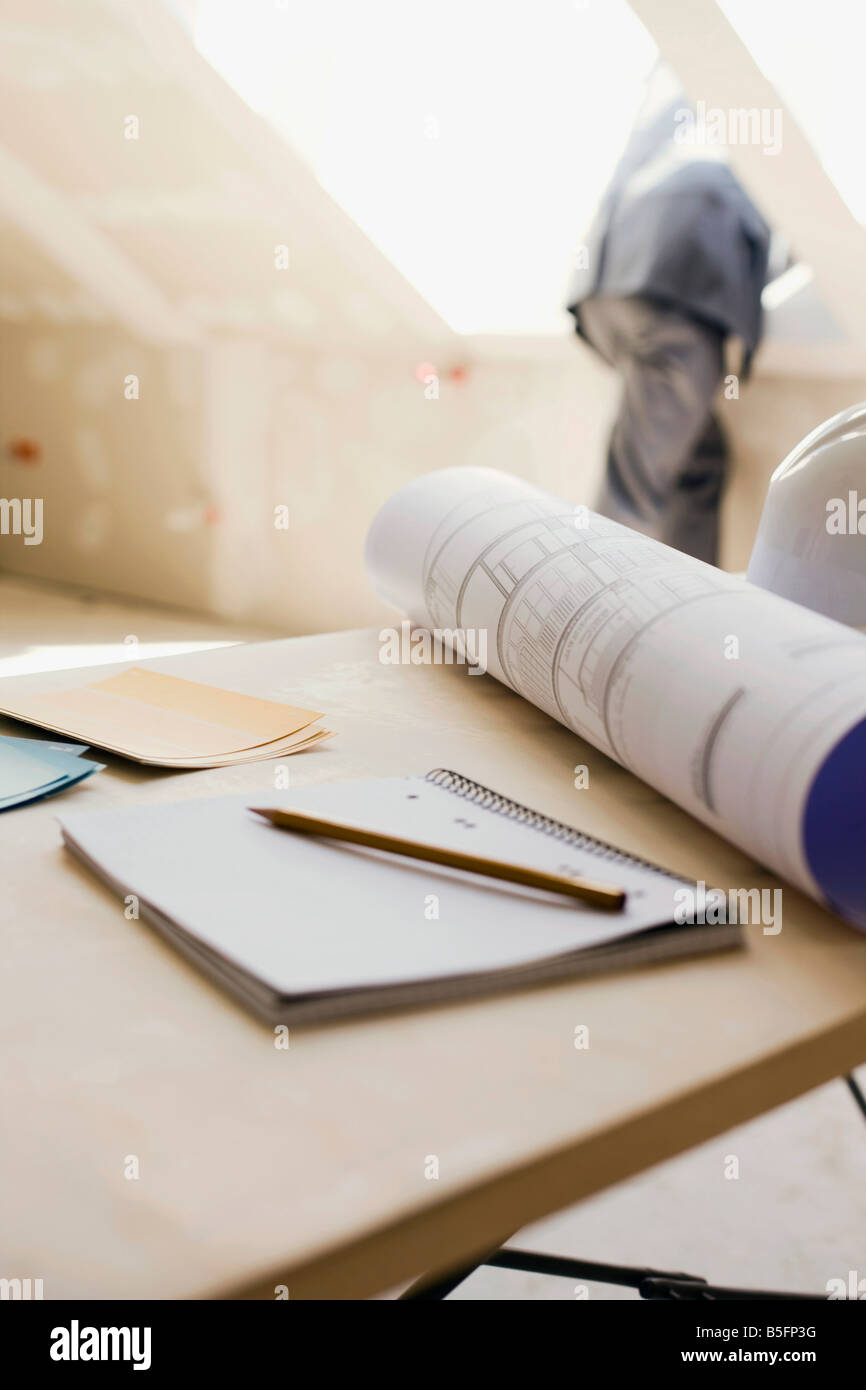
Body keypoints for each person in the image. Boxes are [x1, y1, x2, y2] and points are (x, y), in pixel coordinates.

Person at [566, 64, 771, 565]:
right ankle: (573, 627)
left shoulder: (676, 91)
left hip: (610, 287)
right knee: (633, 491)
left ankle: (687, 615)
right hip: (675, 290)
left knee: (701, 461)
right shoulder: (755, 92)